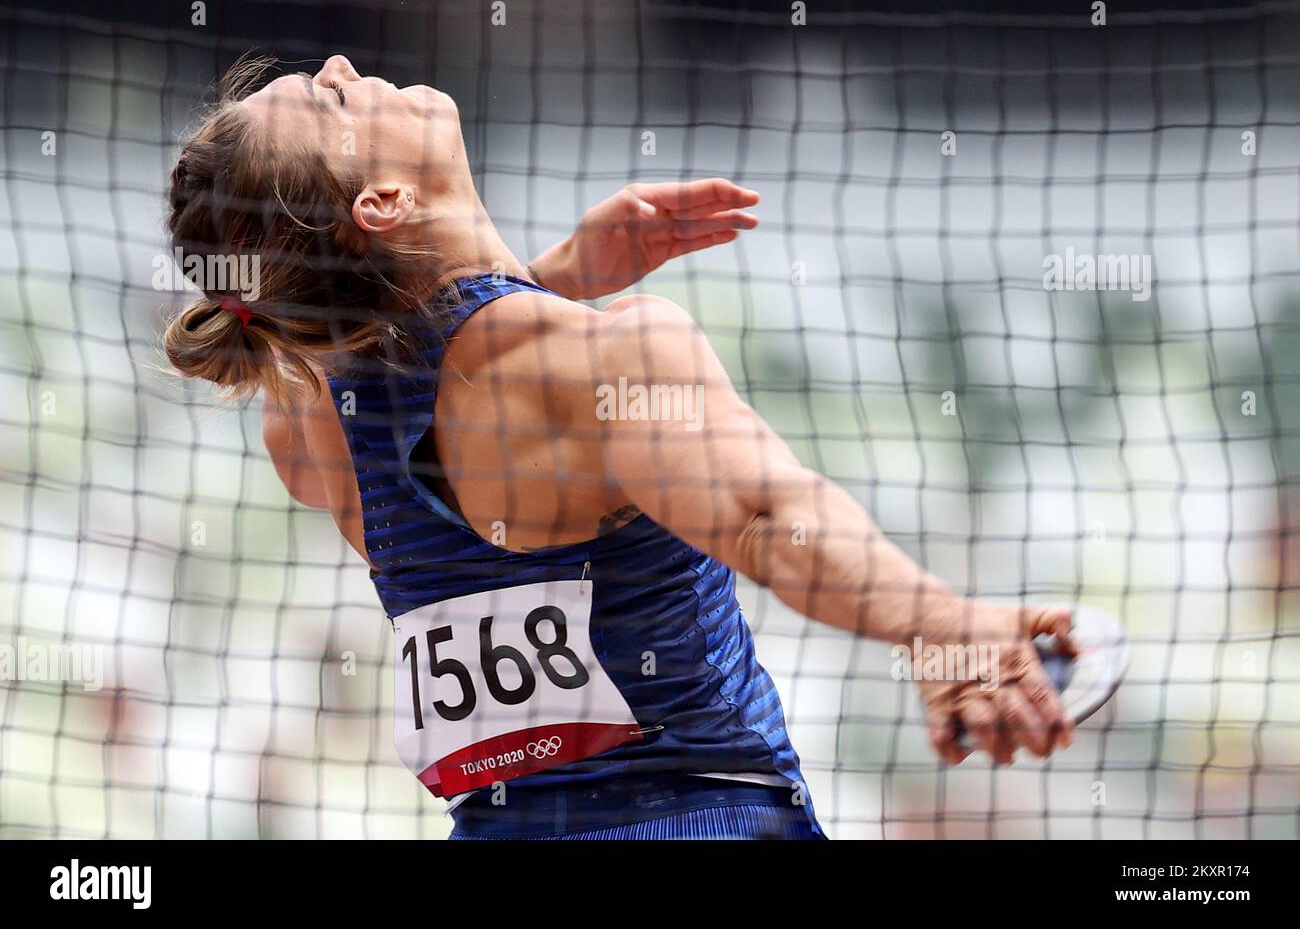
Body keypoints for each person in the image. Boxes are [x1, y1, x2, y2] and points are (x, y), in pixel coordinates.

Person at [162, 54, 1075, 840]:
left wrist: (544, 277)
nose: (341, 70)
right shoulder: (613, 357)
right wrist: (941, 625)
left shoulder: (308, 430)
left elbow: (438, 381)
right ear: (384, 201)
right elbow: (766, 518)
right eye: (330, 102)